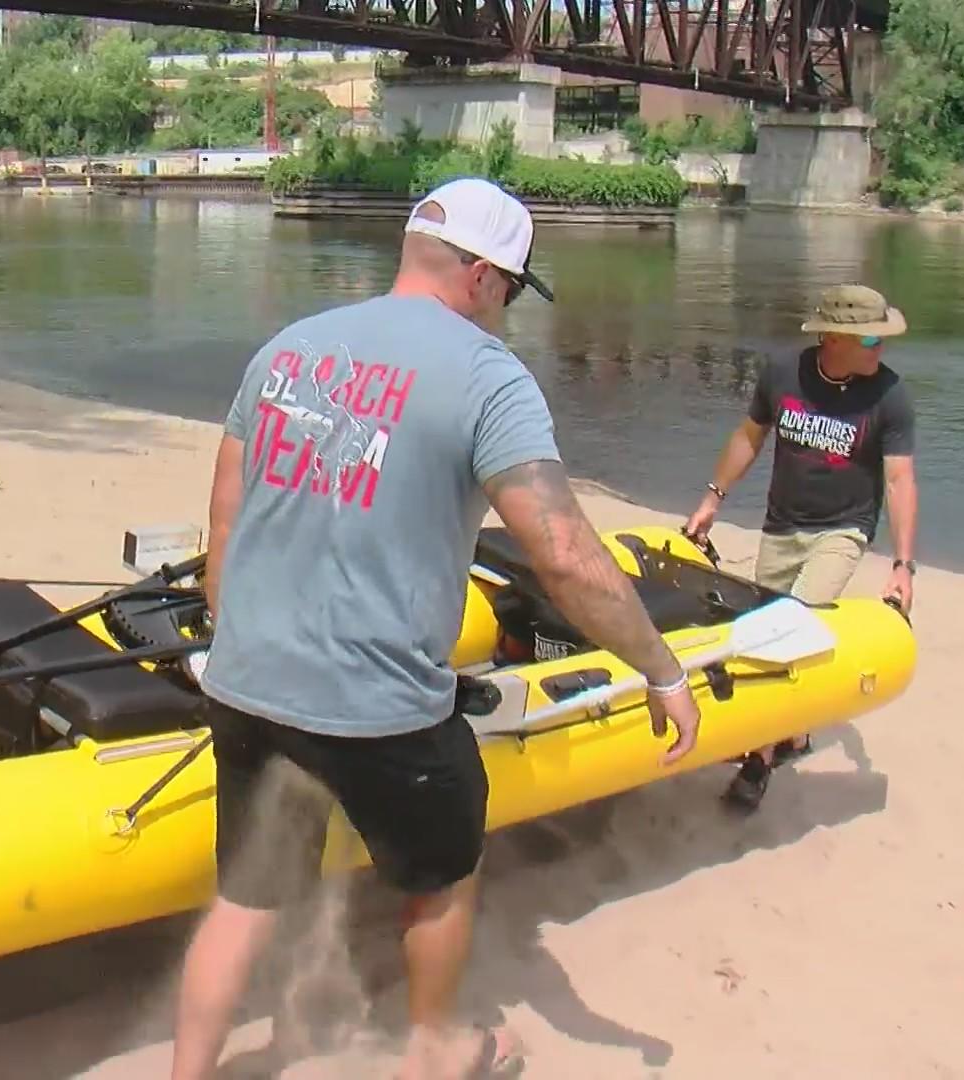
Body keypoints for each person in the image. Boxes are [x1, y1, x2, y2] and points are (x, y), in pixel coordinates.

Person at [171, 177, 703, 1080]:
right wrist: (659, 666)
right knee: (440, 883)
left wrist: (247, 647)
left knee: (246, 902)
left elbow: (222, 524)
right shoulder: (488, 377)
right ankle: (431, 1054)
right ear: (487, 278)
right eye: (510, 292)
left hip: (246, 680)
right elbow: (565, 553)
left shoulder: (284, 351)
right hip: (380, 708)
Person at [683, 282, 919, 811]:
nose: (883, 350)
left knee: (789, 628)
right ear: (836, 338)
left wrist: (903, 565)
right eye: (873, 341)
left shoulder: (890, 396)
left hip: (843, 529)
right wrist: (712, 498)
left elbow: (901, 481)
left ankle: (757, 762)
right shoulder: (783, 373)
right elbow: (749, 436)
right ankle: (794, 732)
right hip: (781, 526)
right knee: (753, 633)